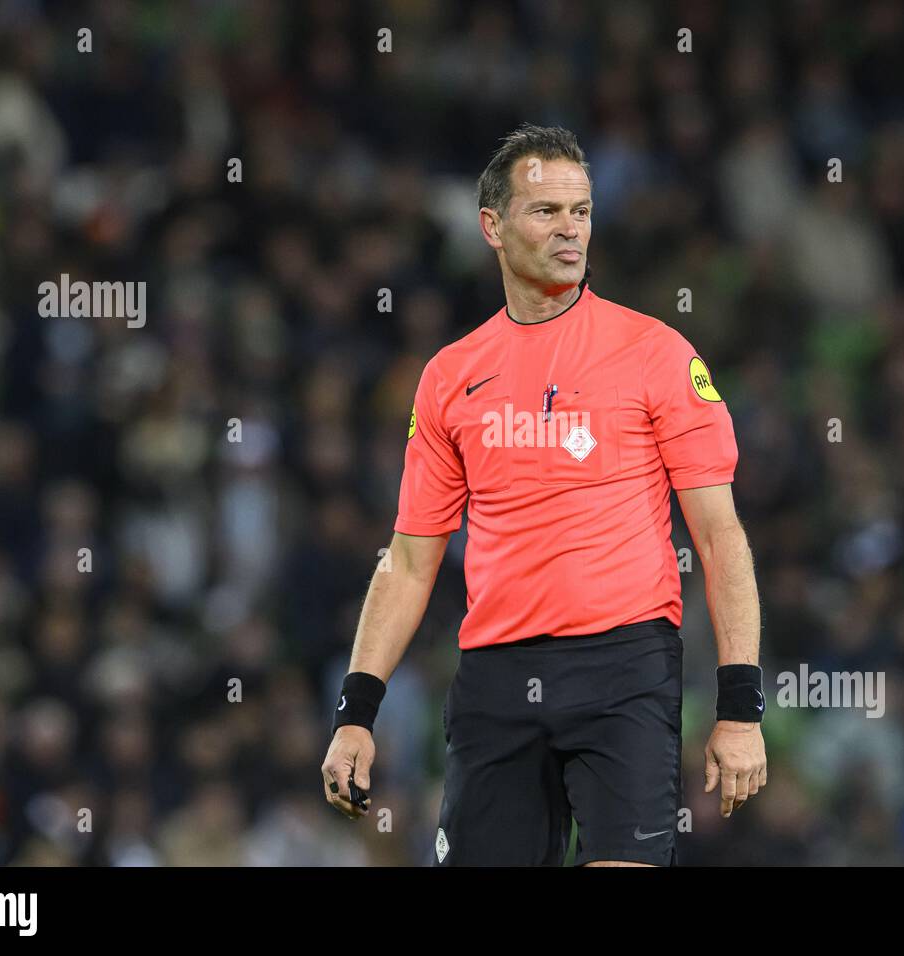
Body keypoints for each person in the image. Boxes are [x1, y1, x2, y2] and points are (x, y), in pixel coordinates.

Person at [322, 125, 767, 866]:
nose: (571, 229)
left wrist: (740, 708)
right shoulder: (449, 377)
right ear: (492, 227)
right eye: (546, 211)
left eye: (582, 210)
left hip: (625, 669)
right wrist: (356, 713)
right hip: (496, 674)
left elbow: (721, 538)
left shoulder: (658, 355)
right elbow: (406, 561)